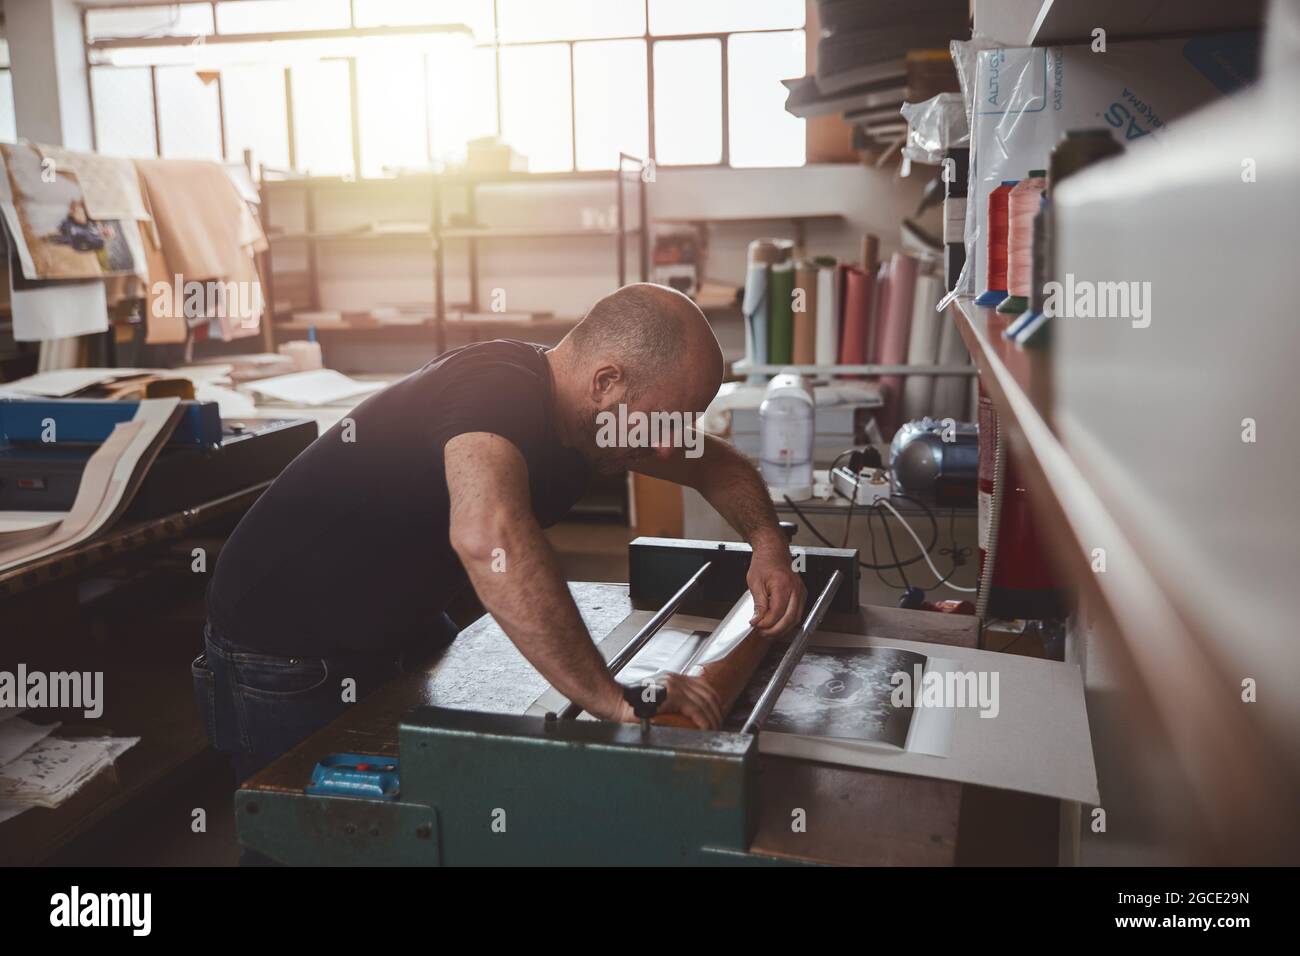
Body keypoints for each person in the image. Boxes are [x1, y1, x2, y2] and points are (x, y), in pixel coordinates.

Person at [195, 283, 806, 778]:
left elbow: (714, 463)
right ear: (605, 382)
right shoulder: (496, 393)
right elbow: (490, 536)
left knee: (426, 804)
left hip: (394, 621)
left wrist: (770, 546)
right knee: (304, 834)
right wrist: (617, 698)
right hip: (283, 649)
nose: (671, 440)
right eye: (668, 419)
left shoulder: (598, 417)